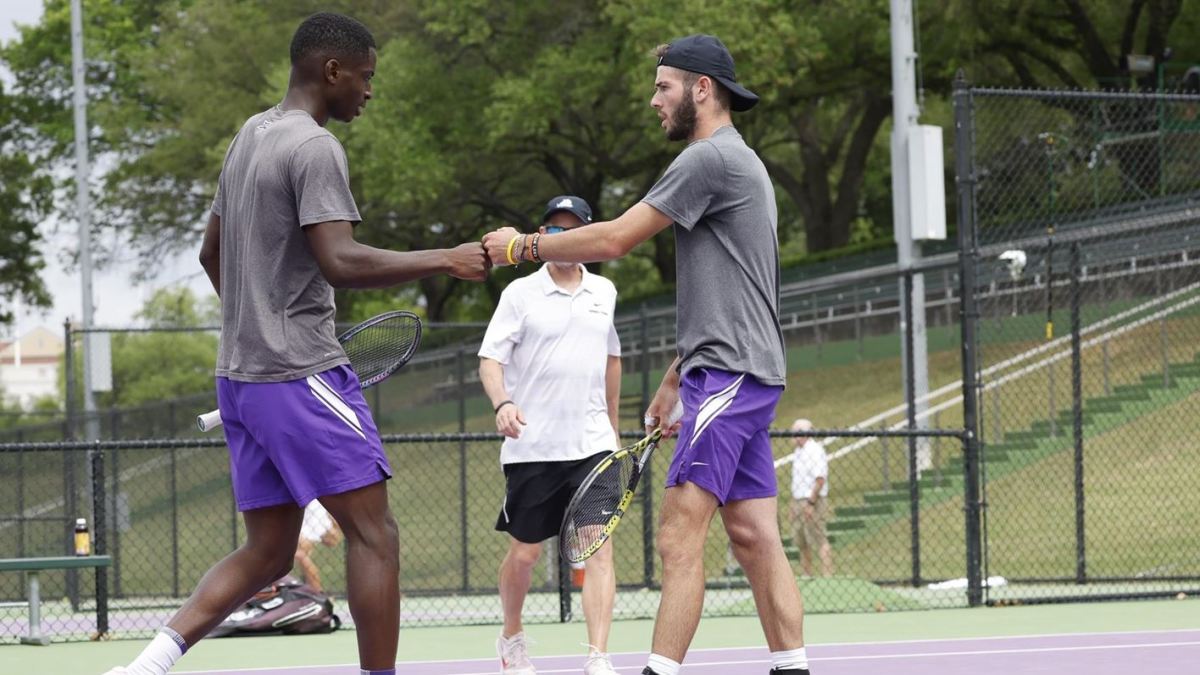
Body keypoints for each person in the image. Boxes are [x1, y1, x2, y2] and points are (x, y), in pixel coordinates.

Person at [103, 12, 488, 675]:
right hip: (299, 372)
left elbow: (209, 252)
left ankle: (144, 667)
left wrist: (255, 327)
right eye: (365, 76)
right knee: (374, 533)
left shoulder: (249, 136)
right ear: (331, 70)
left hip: (241, 380)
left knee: (270, 551)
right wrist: (446, 258)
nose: (369, 90)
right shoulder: (315, 147)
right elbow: (341, 260)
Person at [483, 34, 809, 675]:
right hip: (741, 372)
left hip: (730, 375)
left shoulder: (708, 158)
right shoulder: (739, 162)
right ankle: (792, 666)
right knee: (753, 535)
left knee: (677, 534)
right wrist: (676, 378)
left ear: (702, 89)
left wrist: (523, 246)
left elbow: (613, 239)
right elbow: (735, 293)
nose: (654, 100)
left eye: (664, 87)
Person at [479, 195, 623, 675]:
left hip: (593, 445)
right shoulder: (519, 294)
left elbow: (612, 359)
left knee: (597, 547)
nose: (564, 239)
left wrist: (613, 430)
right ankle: (512, 636)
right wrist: (503, 403)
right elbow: (490, 360)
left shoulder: (604, 291)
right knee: (525, 553)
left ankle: (598, 656)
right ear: (541, 236)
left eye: (574, 230)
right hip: (532, 447)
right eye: (555, 230)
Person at [788, 419, 833, 578]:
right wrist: (793, 504)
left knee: (820, 538)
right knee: (802, 542)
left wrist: (811, 503)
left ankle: (827, 577)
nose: (792, 435)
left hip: (813, 500)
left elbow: (820, 479)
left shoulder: (815, 450)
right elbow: (797, 481)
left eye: (796, 431)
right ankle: (807, 575)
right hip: (798, 500)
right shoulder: (798, 452)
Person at [294, 499, 344, 593]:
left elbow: (334, 540)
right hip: (312, 510)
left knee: (301, 554)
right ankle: (316, 591)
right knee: (301, 554)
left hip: (312, 512)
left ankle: (317, 592)